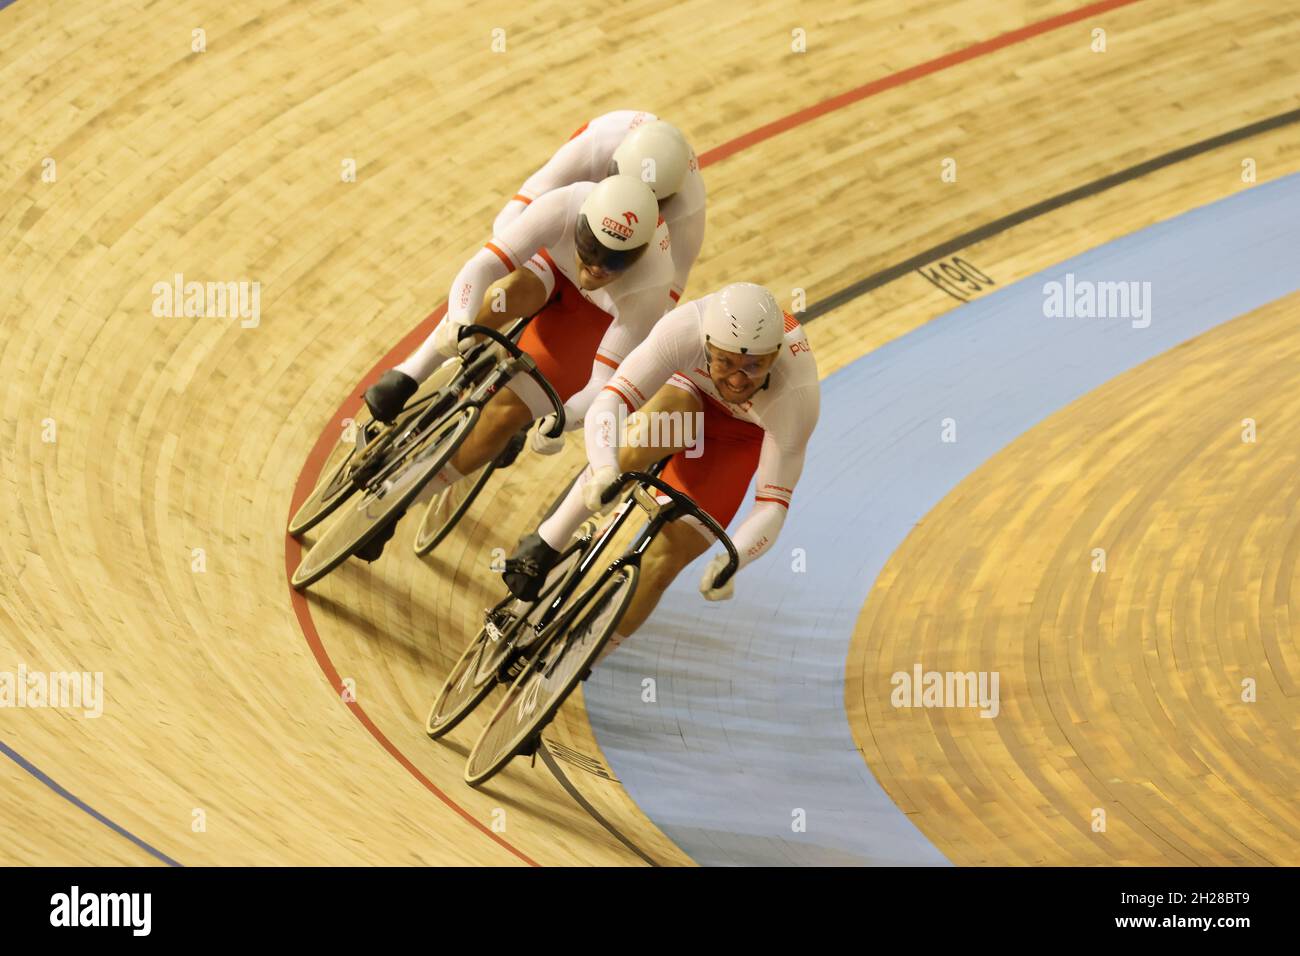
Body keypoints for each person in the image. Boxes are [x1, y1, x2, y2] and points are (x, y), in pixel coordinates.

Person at [353, 174, 674, 561]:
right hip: (552, 268)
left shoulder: (651, 287)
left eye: (615, 260)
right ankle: (409, 374)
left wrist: (564, 417)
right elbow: (484, 265)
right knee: (499, 299)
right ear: (582, 224)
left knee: (504, 416)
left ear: (638, 256)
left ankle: (399, 500)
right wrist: (459, 320)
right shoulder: (567, 204)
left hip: (596, 319)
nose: (598, 266)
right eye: (591, 248)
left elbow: (602, 382)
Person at [502, 283, 820, 658]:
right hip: (691, 395)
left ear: (776, 355)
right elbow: (611, 401)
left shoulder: (796, 395)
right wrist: (606, 470)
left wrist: (733, 559)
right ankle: (546, 543)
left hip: (742, 438)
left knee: (662, 565)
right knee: (632, 448)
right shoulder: (685, 329)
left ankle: (580, 658)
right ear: (706, 346)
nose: (737, 380)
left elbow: (772, 504)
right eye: (726, 363)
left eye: (754, 367)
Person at [492, 110, 705, 304]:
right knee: (516, 288)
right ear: (613, 163)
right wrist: (517, 257)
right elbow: (514, 214)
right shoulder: (600, 142)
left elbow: (663, 302)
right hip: (573, 227)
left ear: (671, 198)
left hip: (620, 267)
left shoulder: (688, 209)